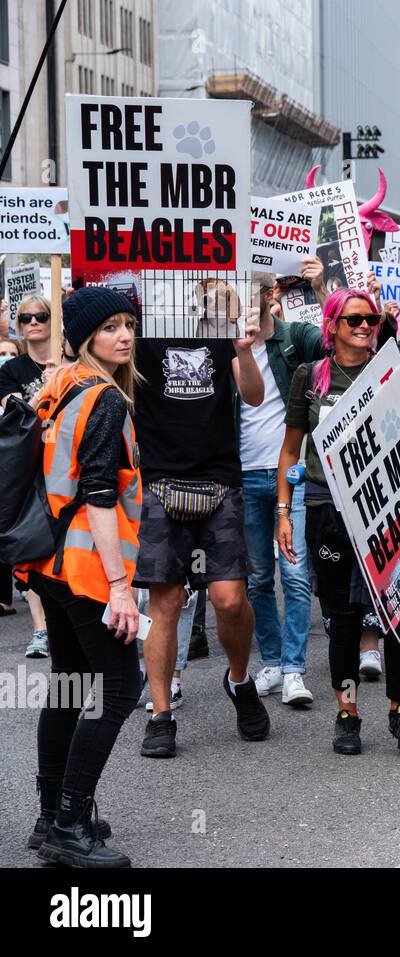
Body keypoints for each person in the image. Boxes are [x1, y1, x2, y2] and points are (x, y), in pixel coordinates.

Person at [16, 287, 143, 866]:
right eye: (111, 327)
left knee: (69, 682)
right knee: (120, 685)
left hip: (45, 562)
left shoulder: (59, 386)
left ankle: (50, 818)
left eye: (128, 325)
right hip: (84, 567)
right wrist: (120, 588)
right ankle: (70, 821)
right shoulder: (105, 398)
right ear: (88, 336)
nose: (124, 335)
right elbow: (97, 494)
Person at [276, 288, 400, 755]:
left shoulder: (395, 370)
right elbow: (290, 450)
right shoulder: (311, 376)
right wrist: (284, 510)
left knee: (398, 614)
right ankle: (348, 712)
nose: (365, 326)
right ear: (332, 326)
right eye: (354, 320)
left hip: (389, 507)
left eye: (371, 319)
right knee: (343, 621)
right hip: (328, 511)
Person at [131, 284, 270, 759]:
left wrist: (243, 349)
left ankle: (239, 680)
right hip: (158, 481)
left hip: (219, 479)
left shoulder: (220, 333)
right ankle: (161, 713)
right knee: (164, 602)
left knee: (230, 600)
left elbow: (253, 396)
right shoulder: (142, 331)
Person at [241, 280, 324, 707]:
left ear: (268, 295)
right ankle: (271, 663)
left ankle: (294, 670)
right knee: (257, 579)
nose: (240, 303)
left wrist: (322, 286)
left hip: (291, 475)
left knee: (293, 575)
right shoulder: (226, 346)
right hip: (242, 474)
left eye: (249, 293)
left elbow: (337, 339)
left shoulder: (294, 339)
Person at [0, 295, 55, 655]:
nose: (33, 322)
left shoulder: (72, 361)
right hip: (31, 466)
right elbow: (15, 416)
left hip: (68, 464)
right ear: (18, 324)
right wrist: (46, 389)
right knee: (32, 545)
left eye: (42, 316)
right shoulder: (10, 372)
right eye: (26, 317)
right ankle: (40, 628)